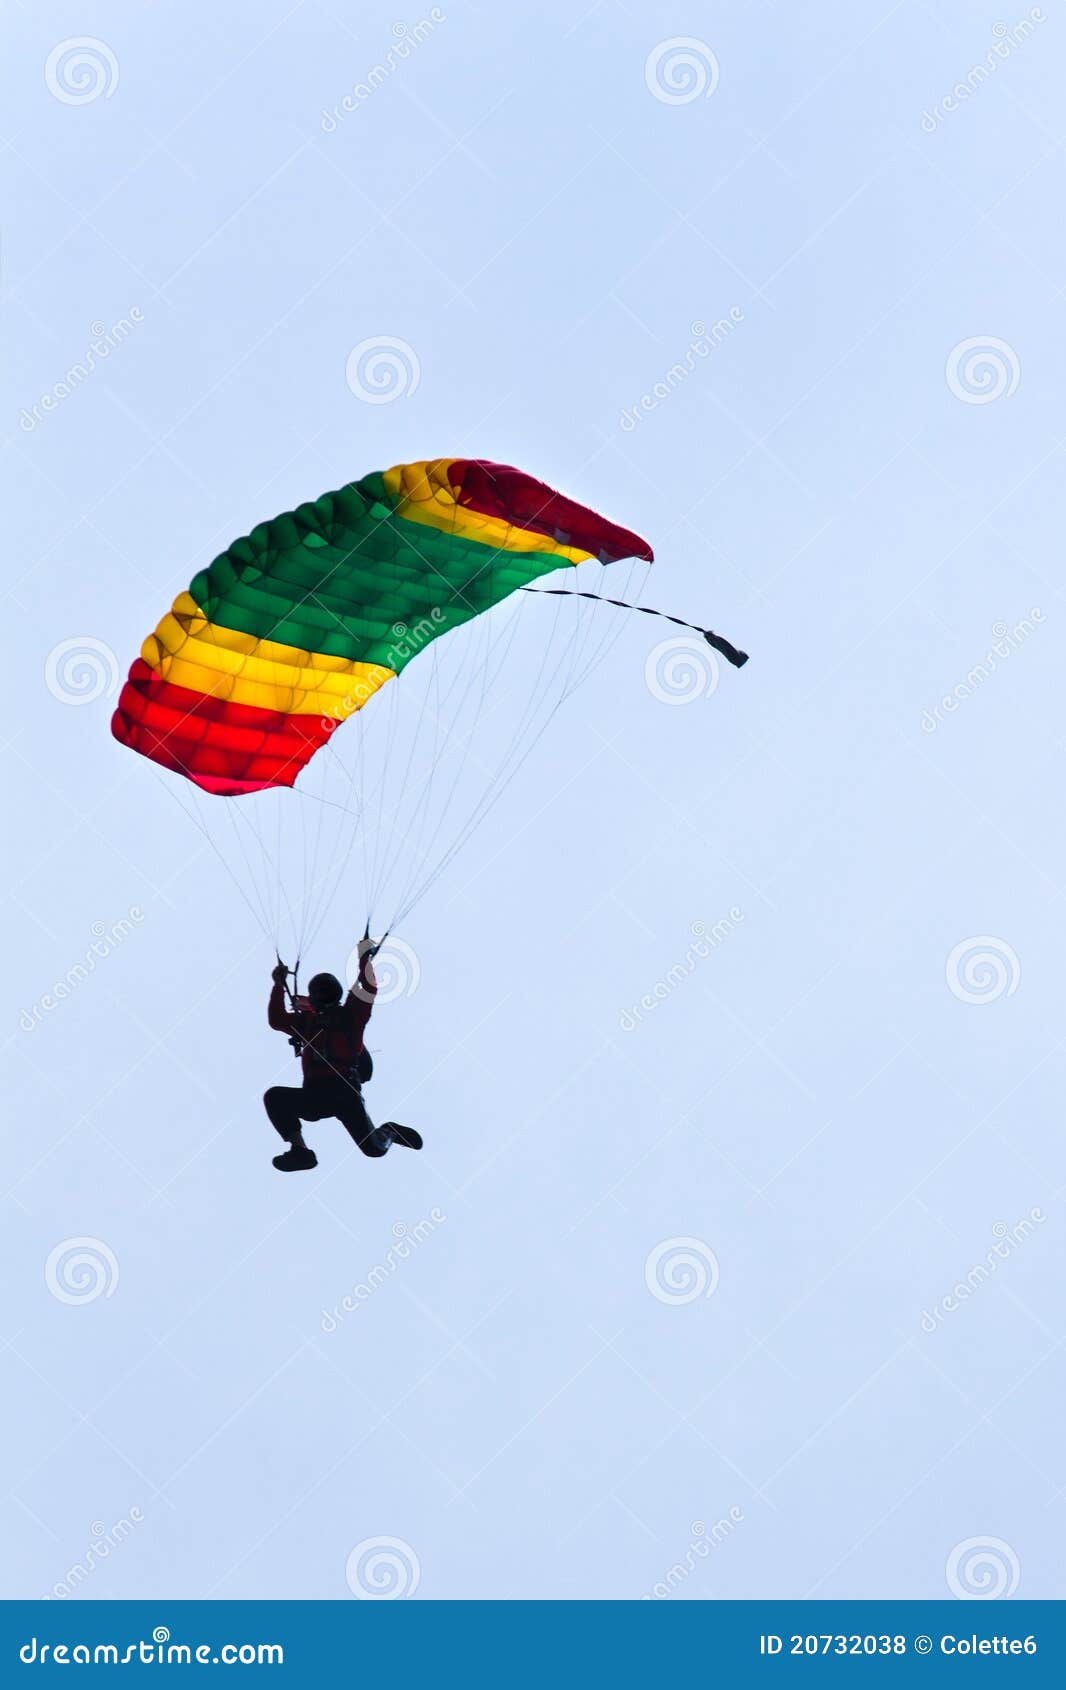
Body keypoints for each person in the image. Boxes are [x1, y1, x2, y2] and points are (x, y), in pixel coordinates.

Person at [264, 943, 422, 1172]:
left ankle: (389, 1131)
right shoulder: (308, 1022)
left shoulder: (350, 1015)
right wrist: (278, 985)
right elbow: (277, 1020)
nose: (320, 997)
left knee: (374, 1150)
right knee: (275, 1097)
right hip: (316, 1094)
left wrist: (364, 959)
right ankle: (300, 1151)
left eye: (322, 992)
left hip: (344, 1093)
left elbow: (368, 987)